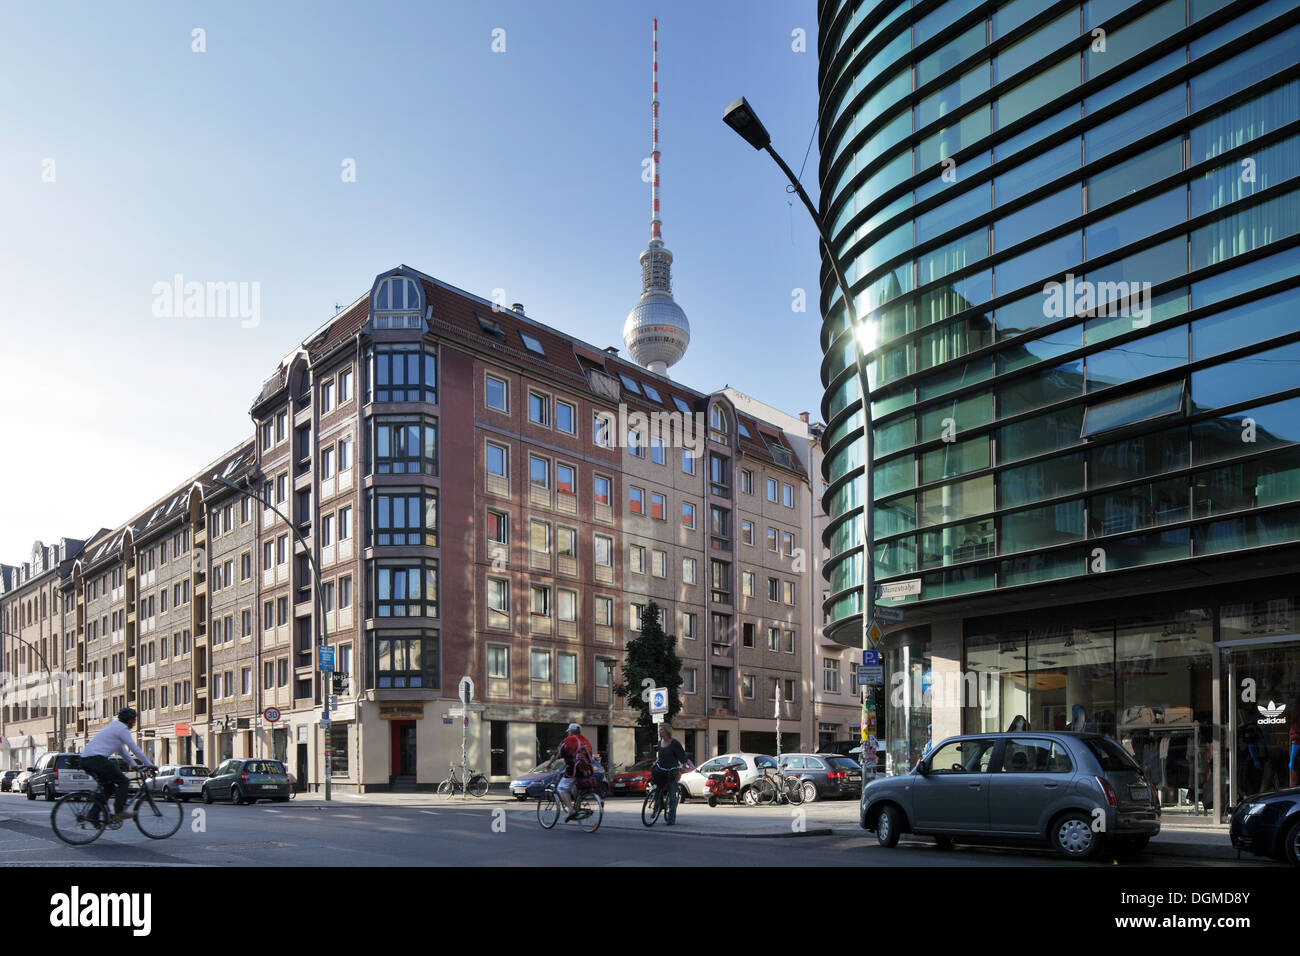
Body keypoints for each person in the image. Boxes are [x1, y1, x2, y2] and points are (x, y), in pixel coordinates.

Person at [80, 707, 155, 823]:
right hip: (96, 759)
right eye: (134, 720)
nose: (134, 723)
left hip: (86, 760)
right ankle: (119, 812)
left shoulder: (114, 727)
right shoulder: (122, 729)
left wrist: (134, 765)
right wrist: (149, 764)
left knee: (108, 788)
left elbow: (122, 751)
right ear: (130, 720)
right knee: (124, 781)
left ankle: (93, 816)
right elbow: (134, 748)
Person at [651, 724, 694, 825]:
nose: (659, 732)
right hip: (661, 771)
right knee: (657, 790)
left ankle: (671, 819)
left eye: (661, 730)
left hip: (672, 772)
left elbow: (682, 757)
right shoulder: (659, 743)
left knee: (672, 795)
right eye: (659, 730)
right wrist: (656, 762)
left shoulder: (675, 744)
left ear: (667, 732)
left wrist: (684, 767)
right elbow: (660, 757)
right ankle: (656, 808)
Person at [552, 723, 593, 822]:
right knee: (574, 786)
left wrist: (550, 763)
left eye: (568, 731)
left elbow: (557, 754)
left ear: (570, 731)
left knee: (561, 788)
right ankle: (577, 805)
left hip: (574, 770)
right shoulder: (586, 740)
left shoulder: (568, 740)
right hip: (588, 769)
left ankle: (571, 810)